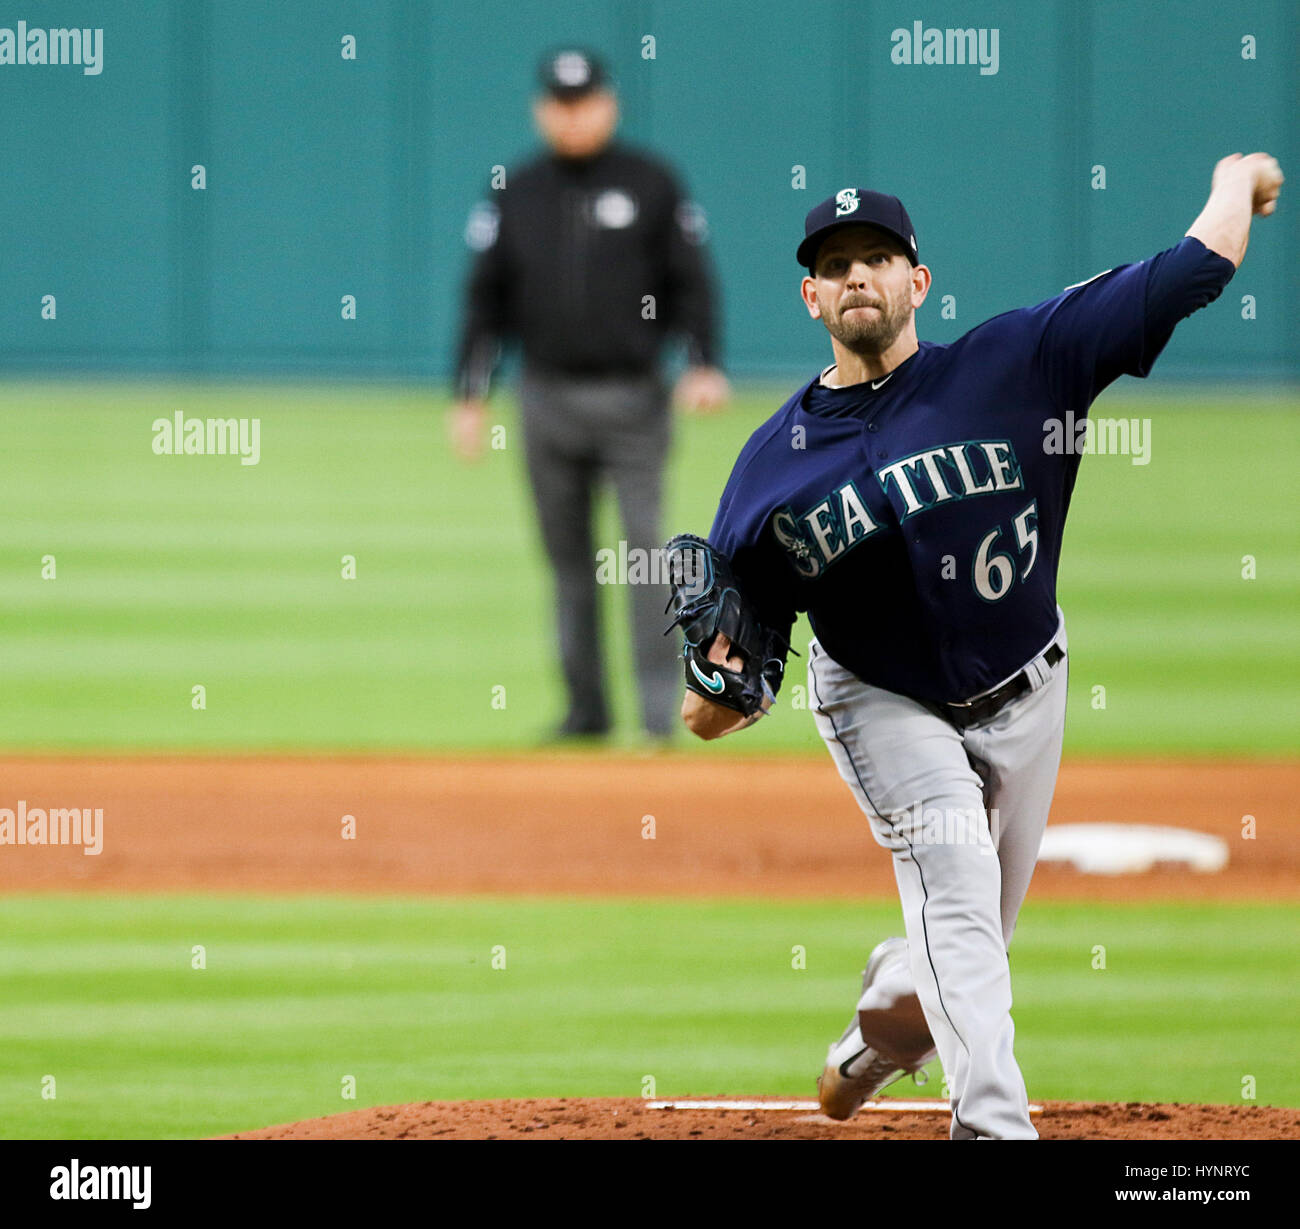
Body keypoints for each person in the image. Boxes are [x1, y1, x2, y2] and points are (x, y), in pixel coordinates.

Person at [669, 153, 1283, 1138]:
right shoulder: (768, 472)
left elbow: (1190, 269)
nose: (856, 274)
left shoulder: (1020, 359)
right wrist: (714, 684)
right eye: (835, 264)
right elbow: (713, 707)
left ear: (918, 281)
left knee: (964, 944)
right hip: (880, 699)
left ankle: (876, 1037)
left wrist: (1230, 177)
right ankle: (992, 1123)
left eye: (878, 256)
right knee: (953, 890)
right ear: (810, 296)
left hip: (1029, 683)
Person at [451, 47, 729, 742]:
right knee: (568, 562)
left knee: (643, 557)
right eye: (559, 103)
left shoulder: (651, 182)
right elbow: (484, 300)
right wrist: (469, 393)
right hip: (545, 397)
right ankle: (586, 712)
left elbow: (692, 280)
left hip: (633, 398)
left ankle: (659, 716)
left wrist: (701, 362)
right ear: (542, 109)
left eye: (585, 101)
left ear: (608, 104)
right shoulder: (516, 191)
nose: (572, 116)